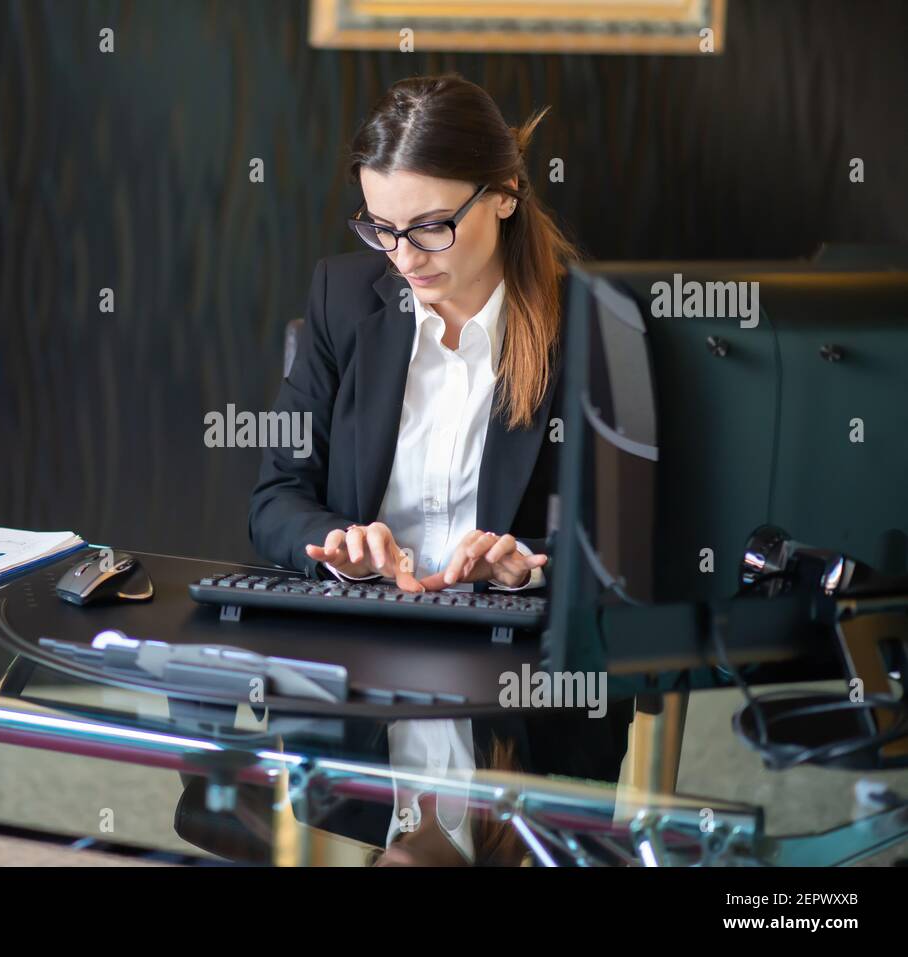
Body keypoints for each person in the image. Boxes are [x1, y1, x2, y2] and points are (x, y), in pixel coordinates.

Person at [248, 73, 630, 864]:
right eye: (380, 228)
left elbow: (632, 552)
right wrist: (335, 543)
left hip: (522, 688)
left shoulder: (594, 327)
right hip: (360, 671)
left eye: (429, 228)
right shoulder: (343, 297)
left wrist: (529, 569)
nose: (402, 258)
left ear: (505, 194)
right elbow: (277, 496)